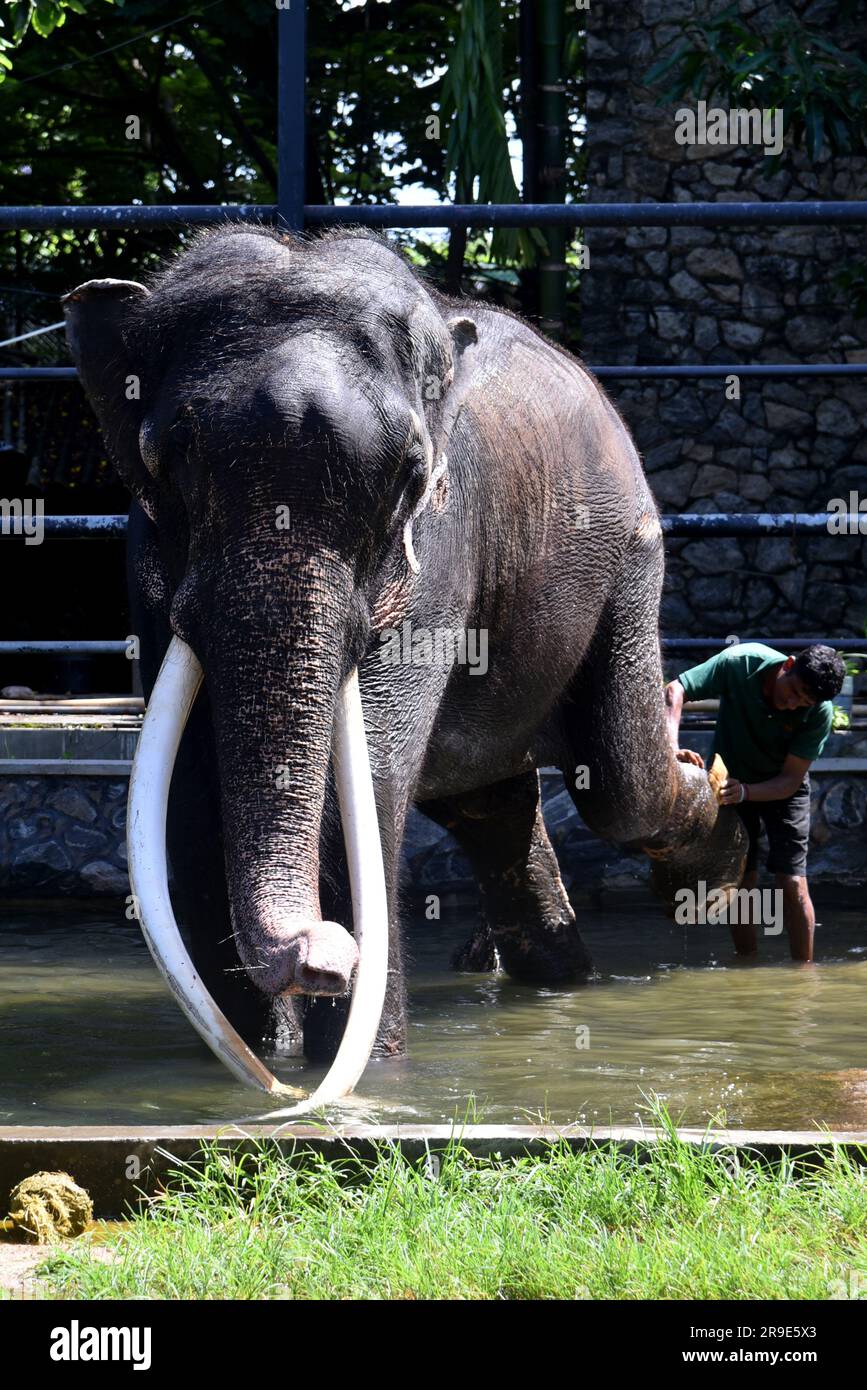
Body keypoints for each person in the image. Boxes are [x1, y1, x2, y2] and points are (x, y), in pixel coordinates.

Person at [664, 642, 845, 963]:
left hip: (781, 790)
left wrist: (746, 791)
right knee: (740, 880)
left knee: (791, 880)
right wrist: (671, 747)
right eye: (794, 691)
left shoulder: (818, 712)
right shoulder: (740, 662)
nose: (792, 704)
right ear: (788, 665)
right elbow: (675, 689)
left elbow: (790, 781)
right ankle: (745, 962)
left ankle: (804, 974)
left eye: (803, 702)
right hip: (728, 781)